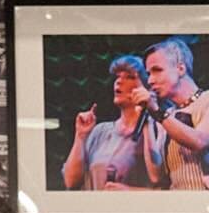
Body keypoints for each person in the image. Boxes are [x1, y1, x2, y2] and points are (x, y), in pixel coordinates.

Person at [136, 37, 209, 191]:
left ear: (181, 68)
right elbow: (155, 176)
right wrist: (147, 121)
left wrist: (157, 114)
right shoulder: (167, 116)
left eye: (157, 70)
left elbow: (200, 141)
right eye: (148, 73)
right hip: (181, 206)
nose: (151, 80)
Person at [61, 53, 154, 191]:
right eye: (118, 77)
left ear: (147, 88)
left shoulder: (153, 130)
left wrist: (129, 192)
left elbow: (165, 188)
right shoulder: (100, 131)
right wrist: (80, 136)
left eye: (129, 77)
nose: (119, 81)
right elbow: (70, 181)